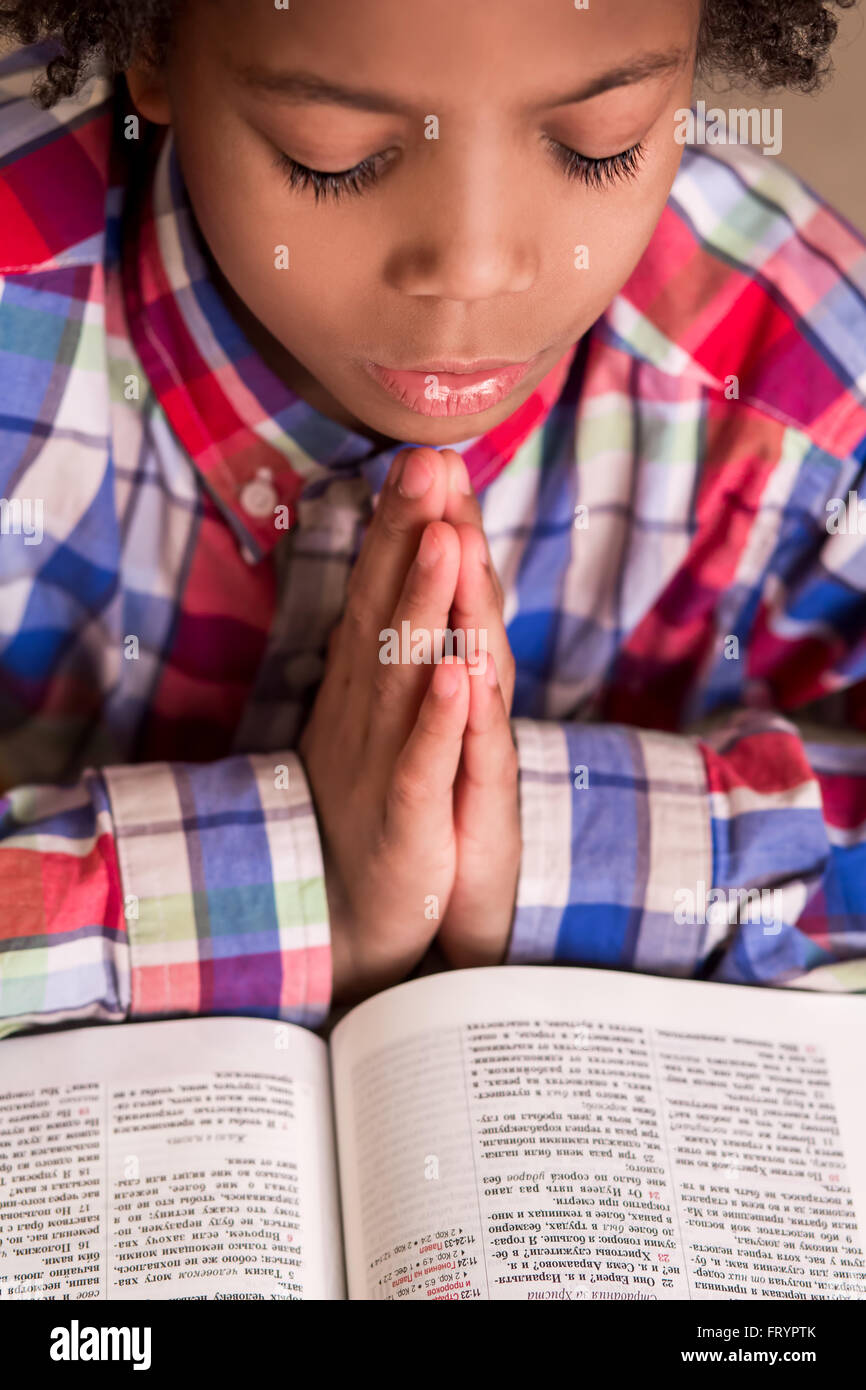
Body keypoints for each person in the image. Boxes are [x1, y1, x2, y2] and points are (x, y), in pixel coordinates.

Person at [0, 0, 864, 1041]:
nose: (471, 267)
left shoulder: (809, 402)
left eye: (600, 145)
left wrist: (558, 850)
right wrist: (290, 886)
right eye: (332, 156)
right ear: (156, 44)